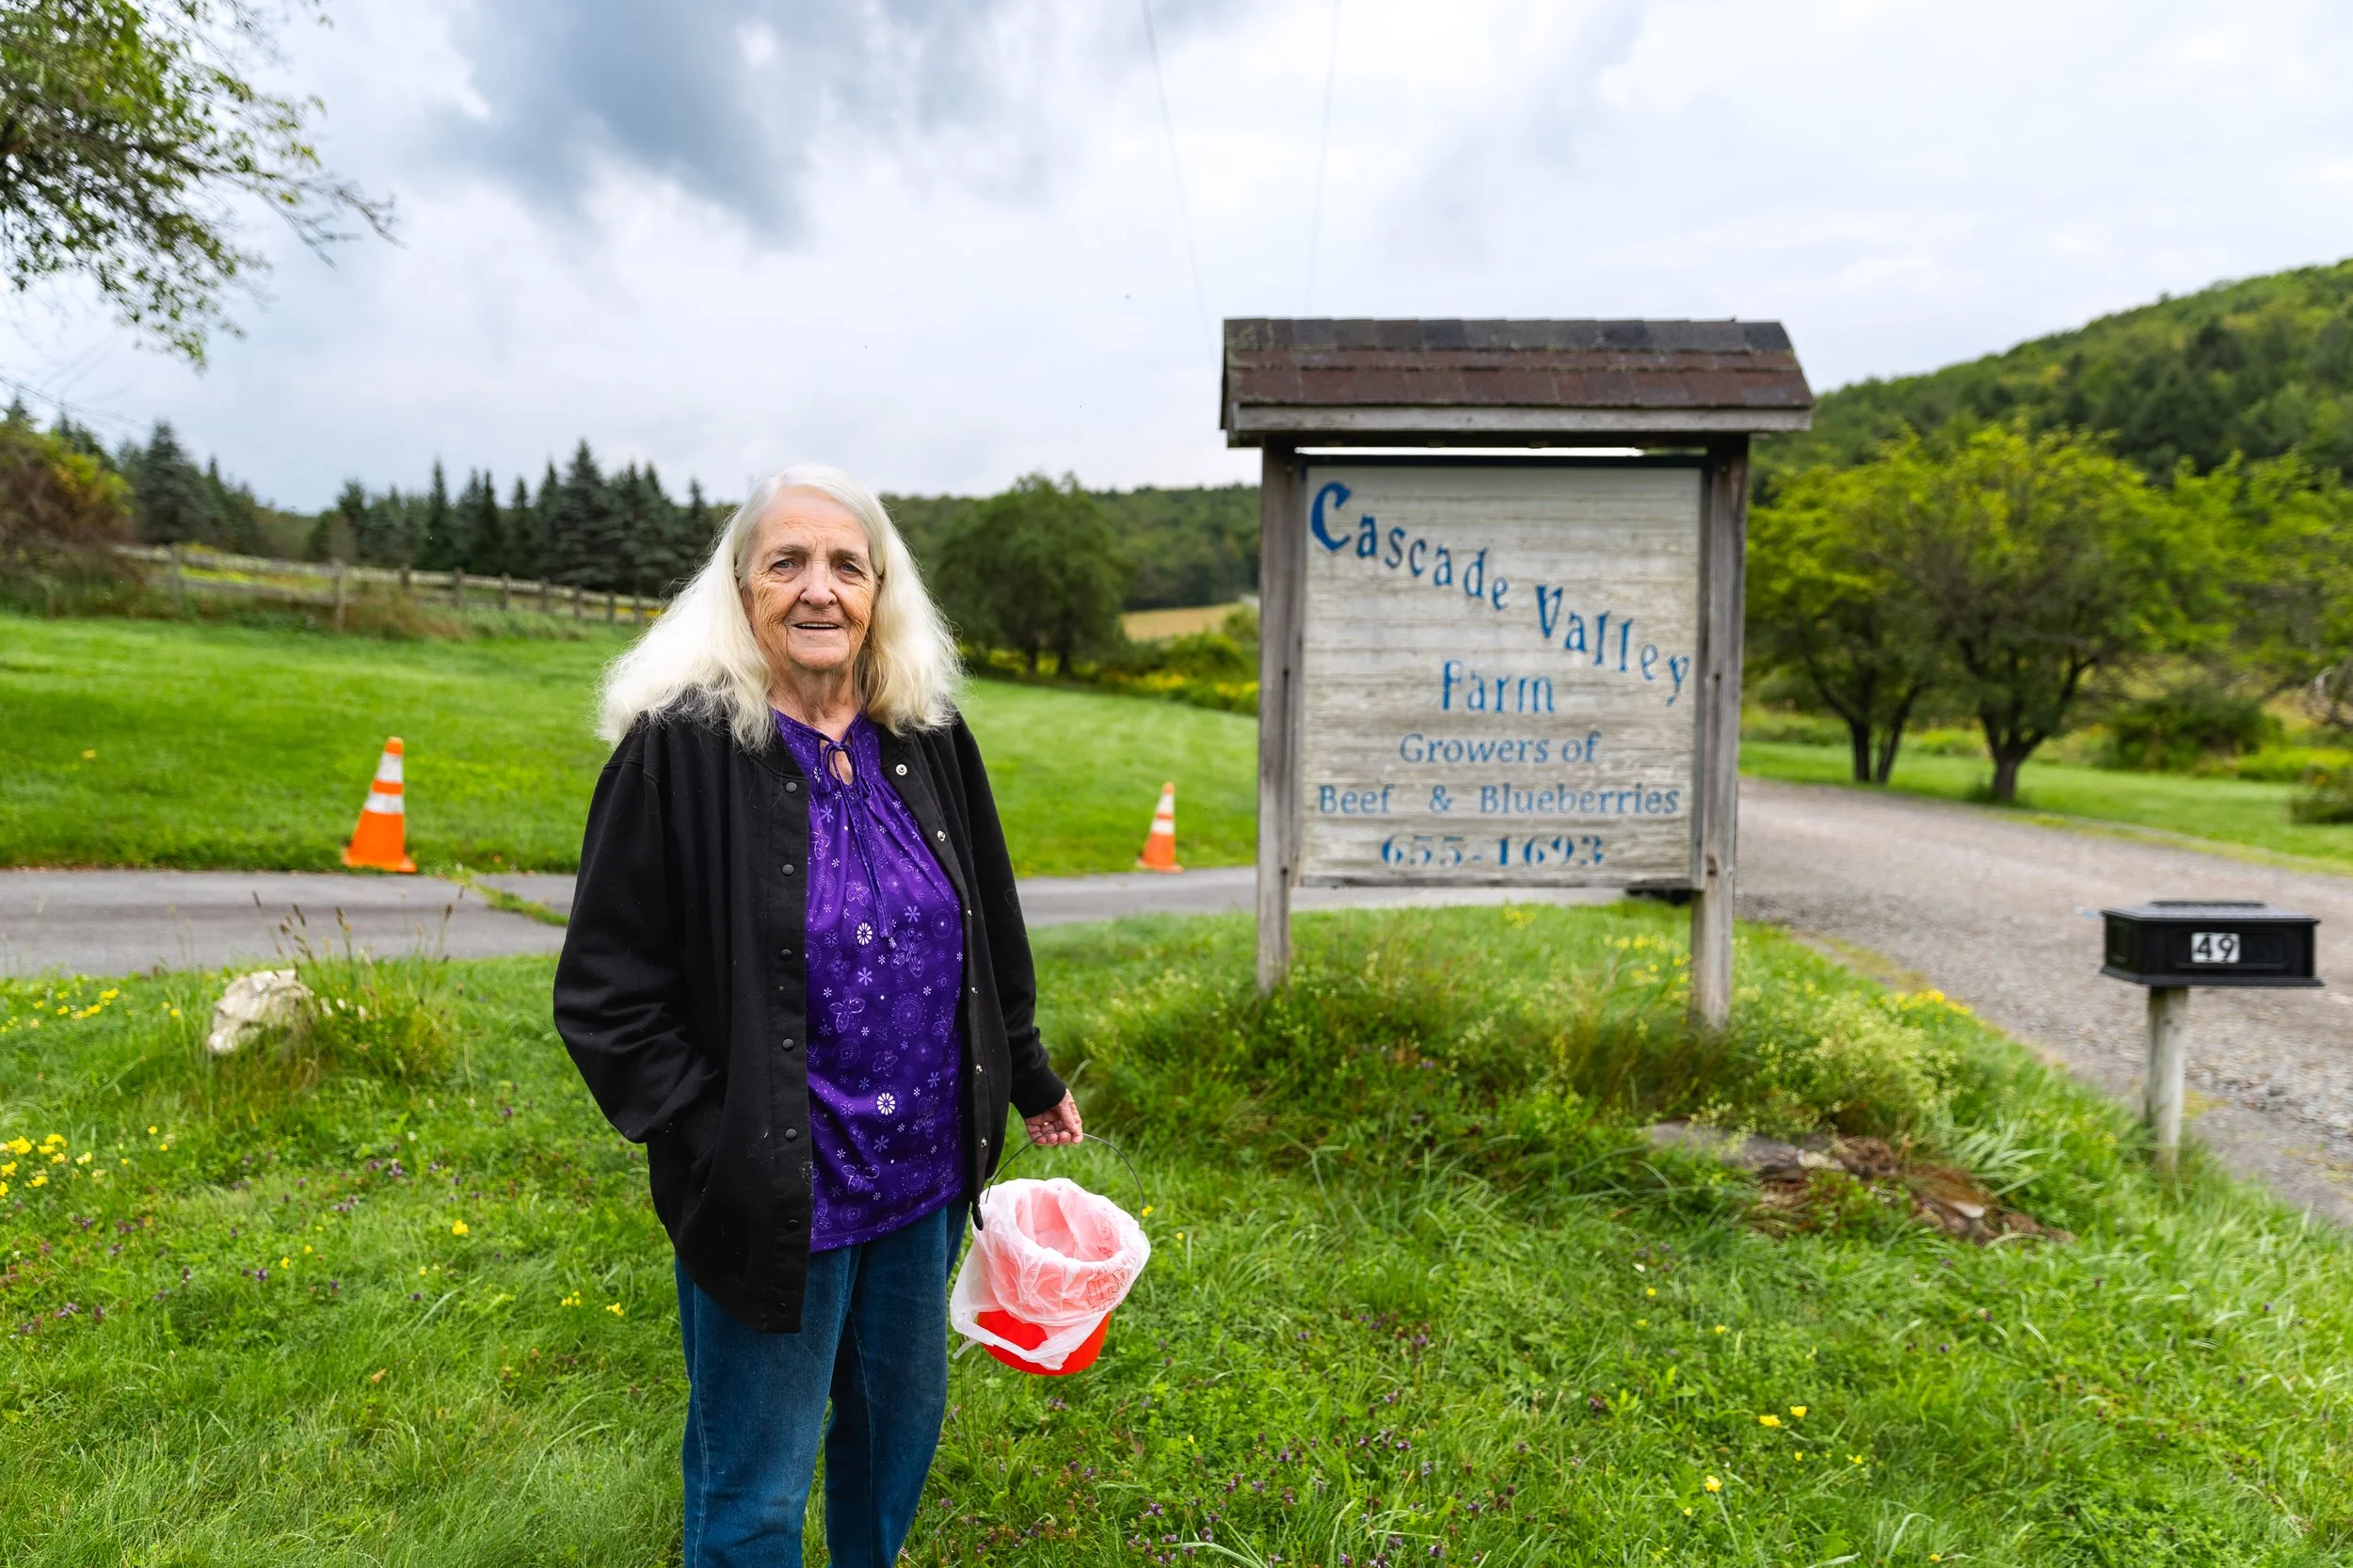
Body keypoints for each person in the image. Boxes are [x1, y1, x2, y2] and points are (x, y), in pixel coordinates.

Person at [552, 464, 1082, 1568]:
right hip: (773, 1189)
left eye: (847, 565)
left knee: (893, 1443)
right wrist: (711, 1138)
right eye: (785, 562)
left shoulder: (927, 736)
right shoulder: (679, 751)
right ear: (740, 588)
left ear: (880, 591)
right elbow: (606, 992)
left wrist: (1027, 1069)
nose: (818, 589)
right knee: (754, 1483)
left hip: (926, 1174)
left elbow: (986, 922)